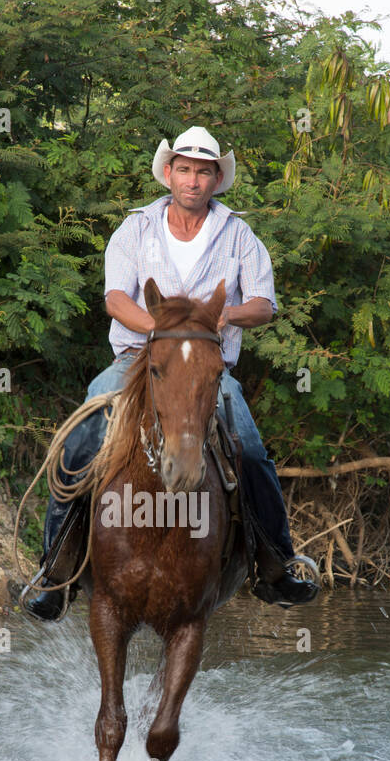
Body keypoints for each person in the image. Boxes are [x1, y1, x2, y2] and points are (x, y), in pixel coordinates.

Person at [24, 124, 317, 620]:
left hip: (208, 368)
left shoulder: (239, 234)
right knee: (80, 438)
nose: (193, 180)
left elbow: (264, 305)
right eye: (184, 169)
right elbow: (116, 298)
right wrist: (161, 333)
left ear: (216, 179)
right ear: (168, 173)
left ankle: (276, 564)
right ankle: (56, 570)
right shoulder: (134, 229)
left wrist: (227, 316)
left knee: (248, 448)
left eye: (204, 172)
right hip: (137, 361)